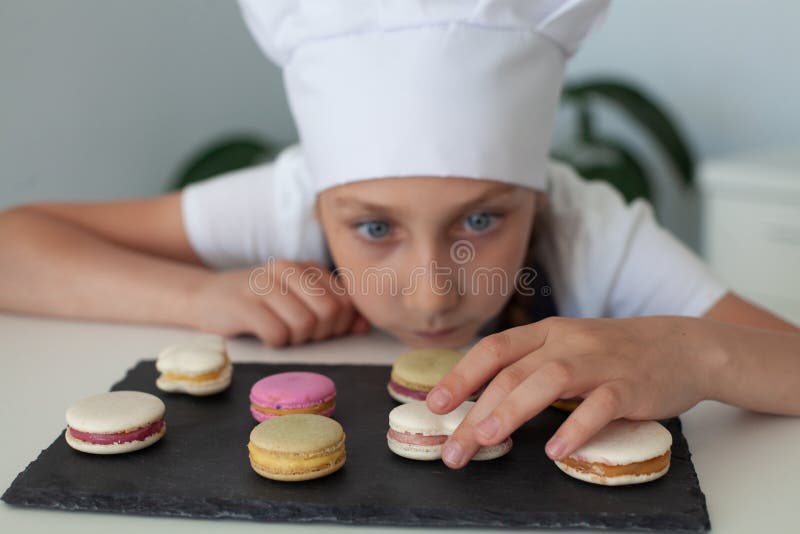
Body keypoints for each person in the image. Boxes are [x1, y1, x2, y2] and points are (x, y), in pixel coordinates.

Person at [0, 0, 797, 471]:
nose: (431, 290)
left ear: (534, 195)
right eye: (374, 227)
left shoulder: (588, 228)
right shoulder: (290, 199)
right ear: (321, 203)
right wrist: (201, 293)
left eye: (482, 221)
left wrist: (698, 351)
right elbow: (14, 244)